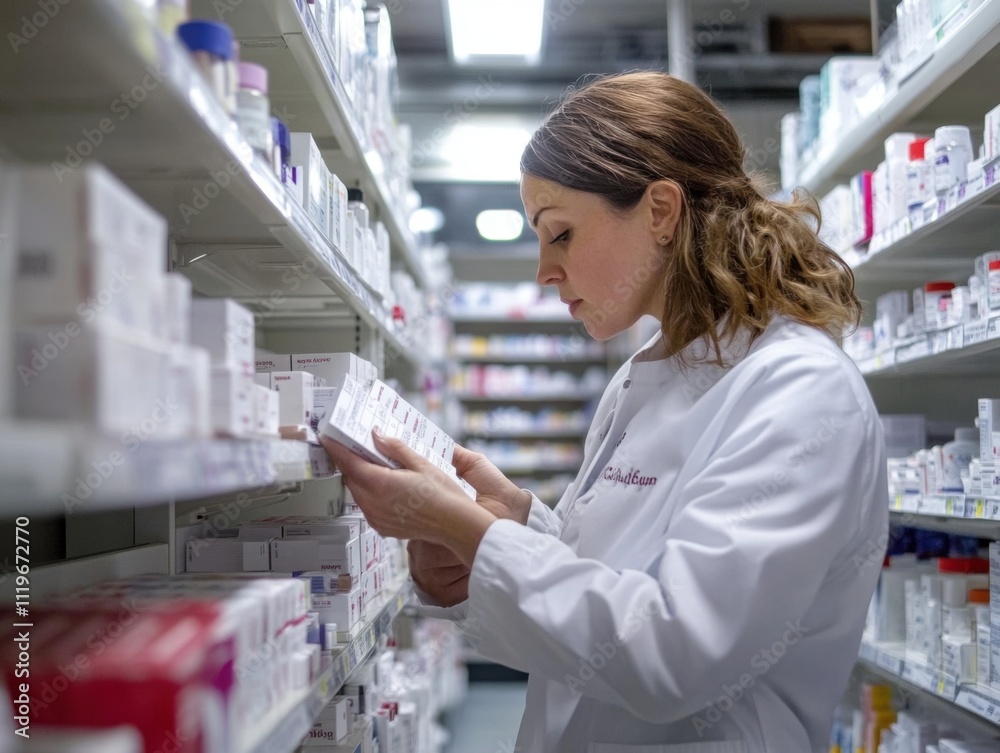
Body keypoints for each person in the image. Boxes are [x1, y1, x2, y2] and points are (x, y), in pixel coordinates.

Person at [321, 71, 887, 753]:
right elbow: (627, 579)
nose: (543, 270)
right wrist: (520, 528)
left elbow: (677, 649)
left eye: (559, 234)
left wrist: (468, 531)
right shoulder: (643, 376)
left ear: (660, 210)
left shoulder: (800, 390)